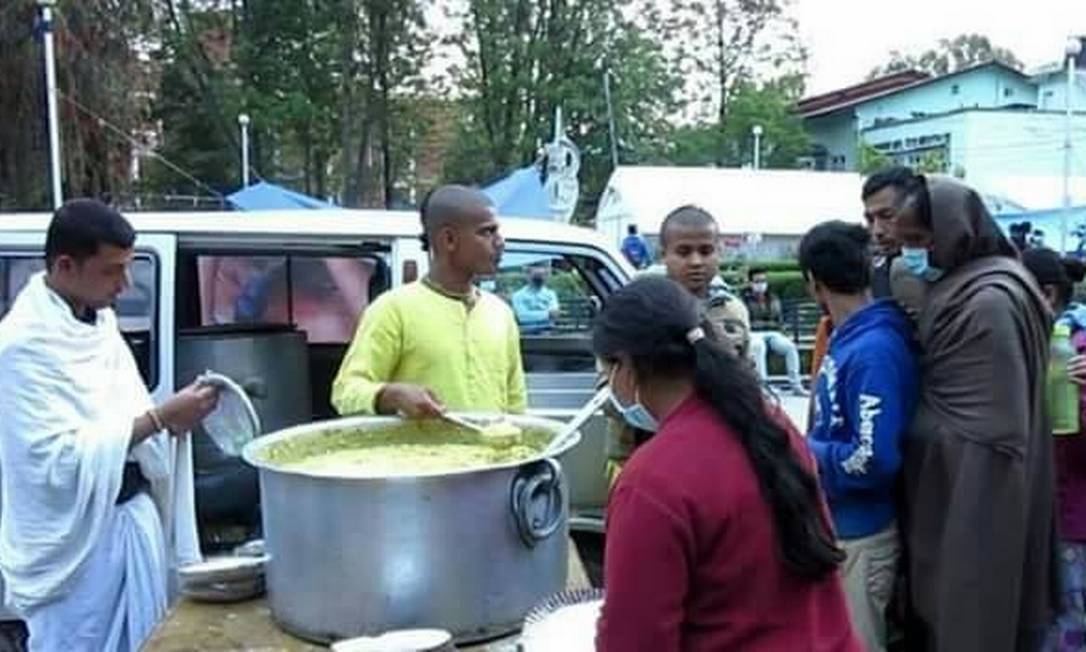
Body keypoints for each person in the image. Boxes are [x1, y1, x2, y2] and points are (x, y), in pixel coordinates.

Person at [593, 276, 859, 651]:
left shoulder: (652, 481)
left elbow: (634, 639)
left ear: (626, 367)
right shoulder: (769, 423)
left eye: (606, 374)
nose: (608, 387)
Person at [0, 199, 219, 652]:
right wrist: (159, 418)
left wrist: (171, 423)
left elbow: (124, 414)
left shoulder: (99, 325)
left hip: (129, 524)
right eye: (112, 271)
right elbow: (51, 461)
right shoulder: (19, 347)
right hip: (77, 554)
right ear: (65, 265)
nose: (125, 284)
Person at [892, 176, 1058, 651]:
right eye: (906, 243)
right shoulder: (962, 283)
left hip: (978, 480)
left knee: (972, 599)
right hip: (945, 470)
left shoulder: (990, 299)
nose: (912, 253)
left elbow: (995, 424)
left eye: (920, 241)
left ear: (956, 230)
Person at [799, 221, 919, 652]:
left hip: (864, 535)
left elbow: (873, 458)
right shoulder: (849, 339)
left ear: (814, 283)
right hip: (843, 529)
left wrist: (805, 450)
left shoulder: (873, 350)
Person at [331, 185, 527, 417]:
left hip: (492, 454)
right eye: (486, 232)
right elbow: (345, 393)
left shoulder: (500, 313)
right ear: (449, 240)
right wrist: (392, 395)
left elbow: (516, 406)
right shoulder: (393, 309)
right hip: (419, 454)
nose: (499, 242)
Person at [605, 206, 753, 487]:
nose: (696, 261)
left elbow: (747, 380)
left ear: (719, 252)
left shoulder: (733, 312)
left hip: (714, 457)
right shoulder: (637, 309)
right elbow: (610, 394)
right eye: (683, 252)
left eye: (706, 251)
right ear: (664, 254)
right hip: (637, 457)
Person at [1021, 248, 1086, 652]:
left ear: (1046, 294)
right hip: (1052, 519)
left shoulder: (1074, 349)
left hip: (1074, 523)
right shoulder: (1029, 345)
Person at [743, 268, 806, 396]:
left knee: (790, 347)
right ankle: (763, 386)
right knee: (758, 347)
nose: (761, 284)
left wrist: (782, 331)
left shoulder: (773, 297)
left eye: (763, 281)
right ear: (750, 283)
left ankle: (796, 385)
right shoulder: (744, 299)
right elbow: (745, 320)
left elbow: (779, 319)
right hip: (753, 332)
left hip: (773, 333)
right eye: (757, 281)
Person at [511, 265, 560, 334]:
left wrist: (532, 315)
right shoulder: (518, 295)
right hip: (526, 332)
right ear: (527, 276)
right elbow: (522, 317)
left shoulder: (551, 294)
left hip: (548, 331)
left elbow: (554, 314)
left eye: (543, 275)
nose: (540, 278)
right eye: (536, 276)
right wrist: (547, 314)